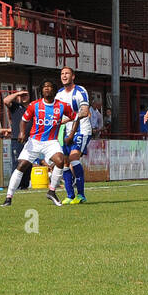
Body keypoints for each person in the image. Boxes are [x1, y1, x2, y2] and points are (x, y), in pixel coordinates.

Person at [2, 80, 76, 208]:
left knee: (60, 160)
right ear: (41, 91)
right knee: (21, 165)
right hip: (35, 141)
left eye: (50, 87)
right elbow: (24, 120)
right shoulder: (34, 105)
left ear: (54, 91)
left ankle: (52, 191)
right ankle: (8, 197)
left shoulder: (62, 106)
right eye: (45, 87)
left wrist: (71, 135)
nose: (47, 89)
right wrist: (21, 133)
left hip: (51, 141)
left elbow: (75, 118)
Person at [53, 67, 91, 203]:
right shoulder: (58, 94)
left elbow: (85, 112)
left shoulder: (80, 91)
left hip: (82, 130)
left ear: (73, 76)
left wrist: (69, 119)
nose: (64, 76)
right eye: (62, 74)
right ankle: (70, 196)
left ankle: (81, 195)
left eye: (67, 73)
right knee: (64, 162)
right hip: (65, 131)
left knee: (74, 158)